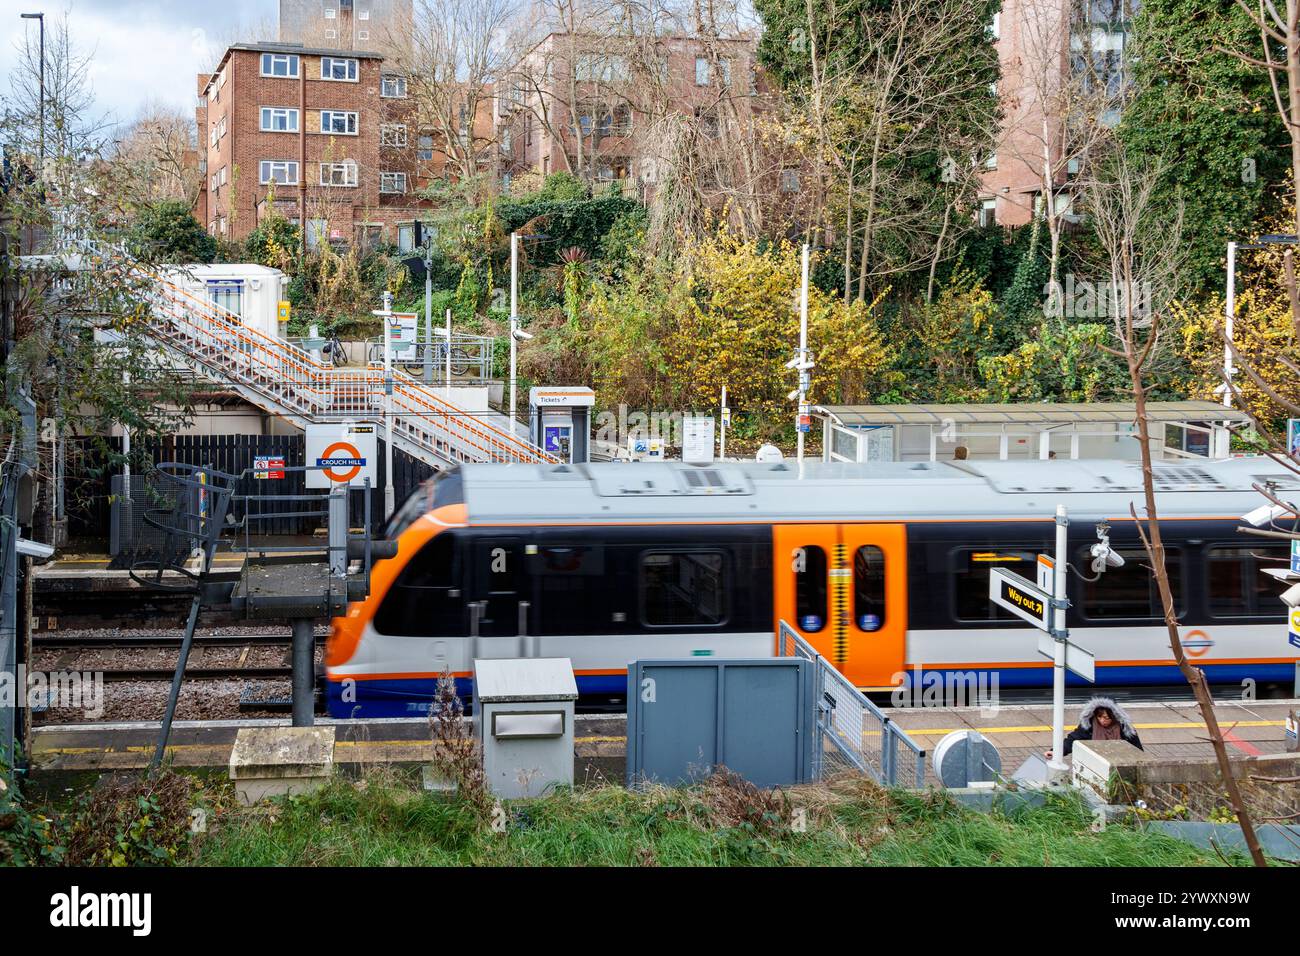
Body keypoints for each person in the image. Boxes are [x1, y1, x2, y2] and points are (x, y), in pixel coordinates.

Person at [1044, 697, 1143, 760]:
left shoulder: (1124, 728)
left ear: (1114, 717)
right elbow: (1072, 740)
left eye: (1106, 718)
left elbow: (1137, 750)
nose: (1102, 721)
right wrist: (1055, 752)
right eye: (1099, 717)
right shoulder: (1090, 725)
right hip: (1095, 763)